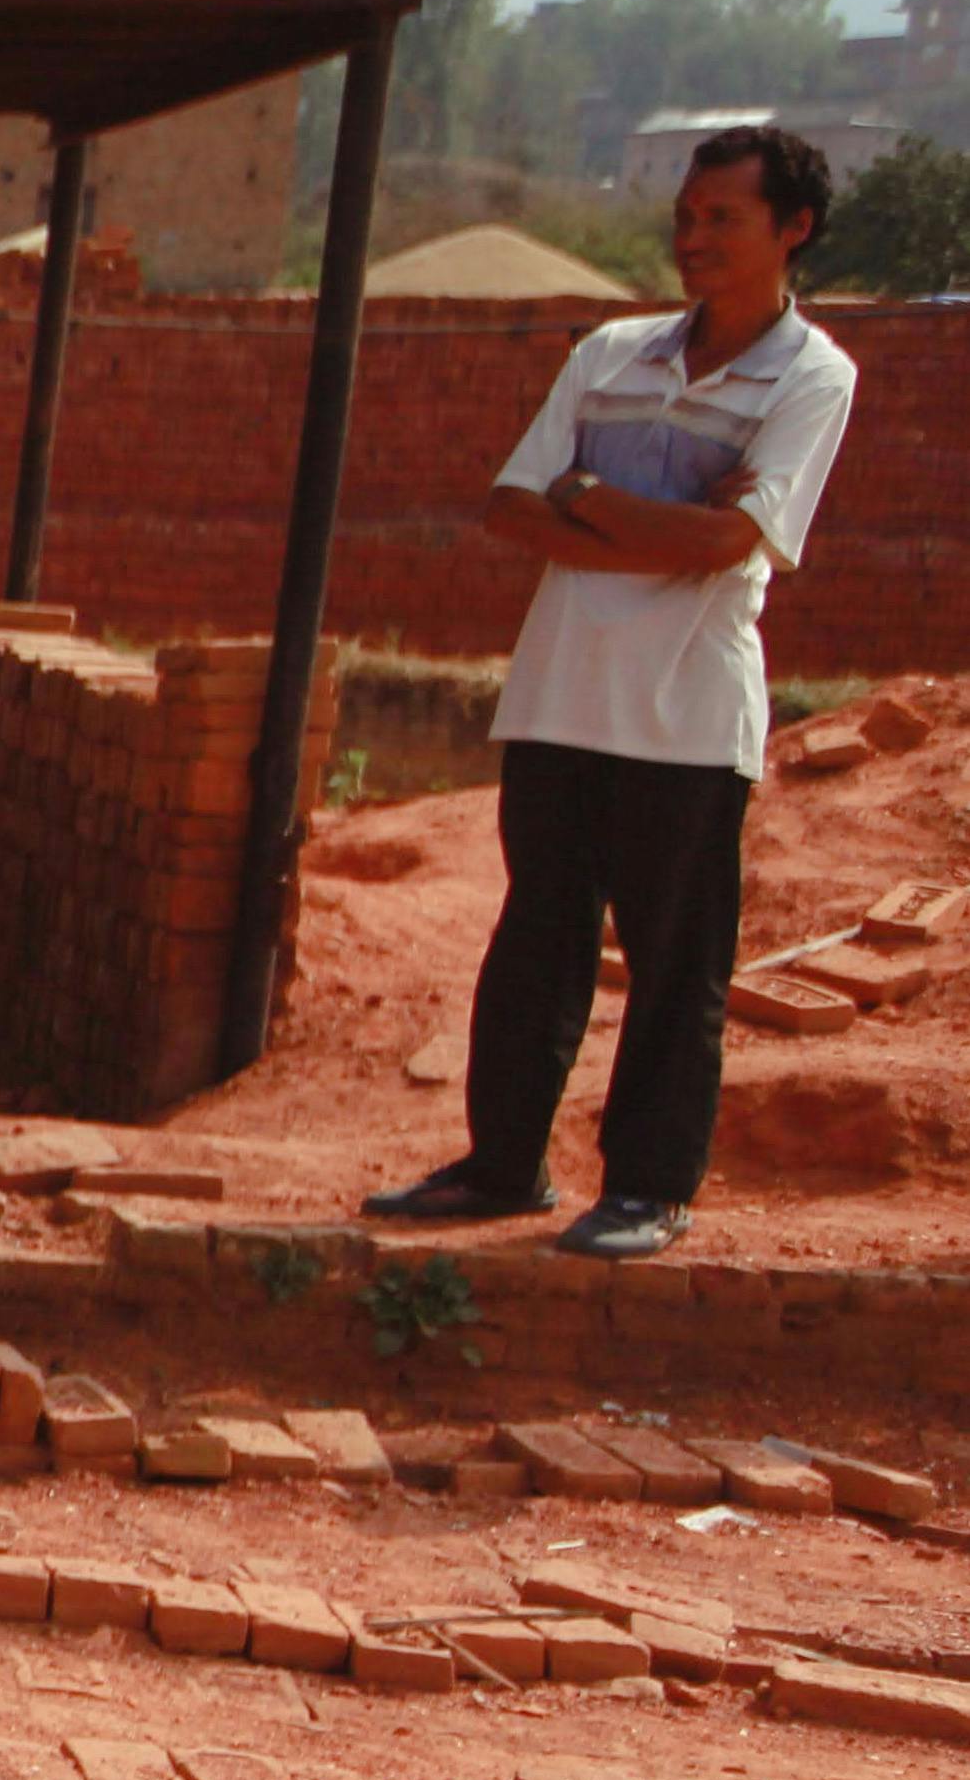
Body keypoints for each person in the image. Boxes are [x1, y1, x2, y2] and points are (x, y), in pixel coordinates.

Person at [364, 126, 857, 1263]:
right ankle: (502, 1167)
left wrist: (586, 499)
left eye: (720, 219)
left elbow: (738, 536)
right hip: (555, 696)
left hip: (686, 718)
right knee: (536, 937)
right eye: (684, 216)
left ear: (793, 230)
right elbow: (510, 504)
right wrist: (648, 520)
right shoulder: (610, 352)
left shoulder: (813, 373)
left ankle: (647, 1186)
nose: (691, 238)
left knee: (676, 957)